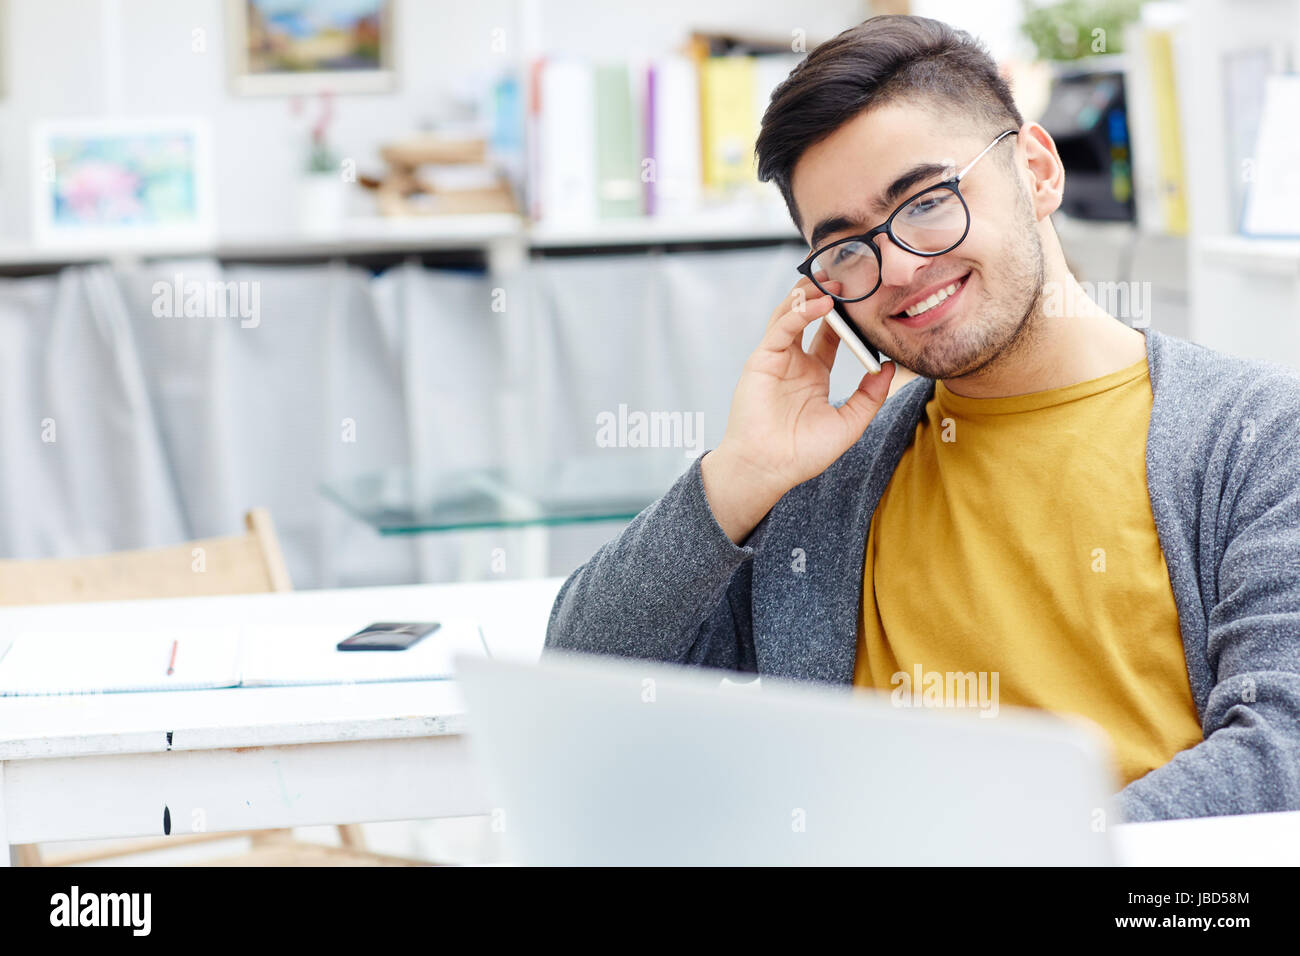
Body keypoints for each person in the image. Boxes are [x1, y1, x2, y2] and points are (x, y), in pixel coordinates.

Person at [545, 15, 1300, 823]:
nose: (899, 268)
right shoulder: (821, 484)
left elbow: (1279, 753)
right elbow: (583, 694)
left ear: (1037, 170)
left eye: (927, 201)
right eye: (846, 249)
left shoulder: (1258, 437)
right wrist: (743, 473)